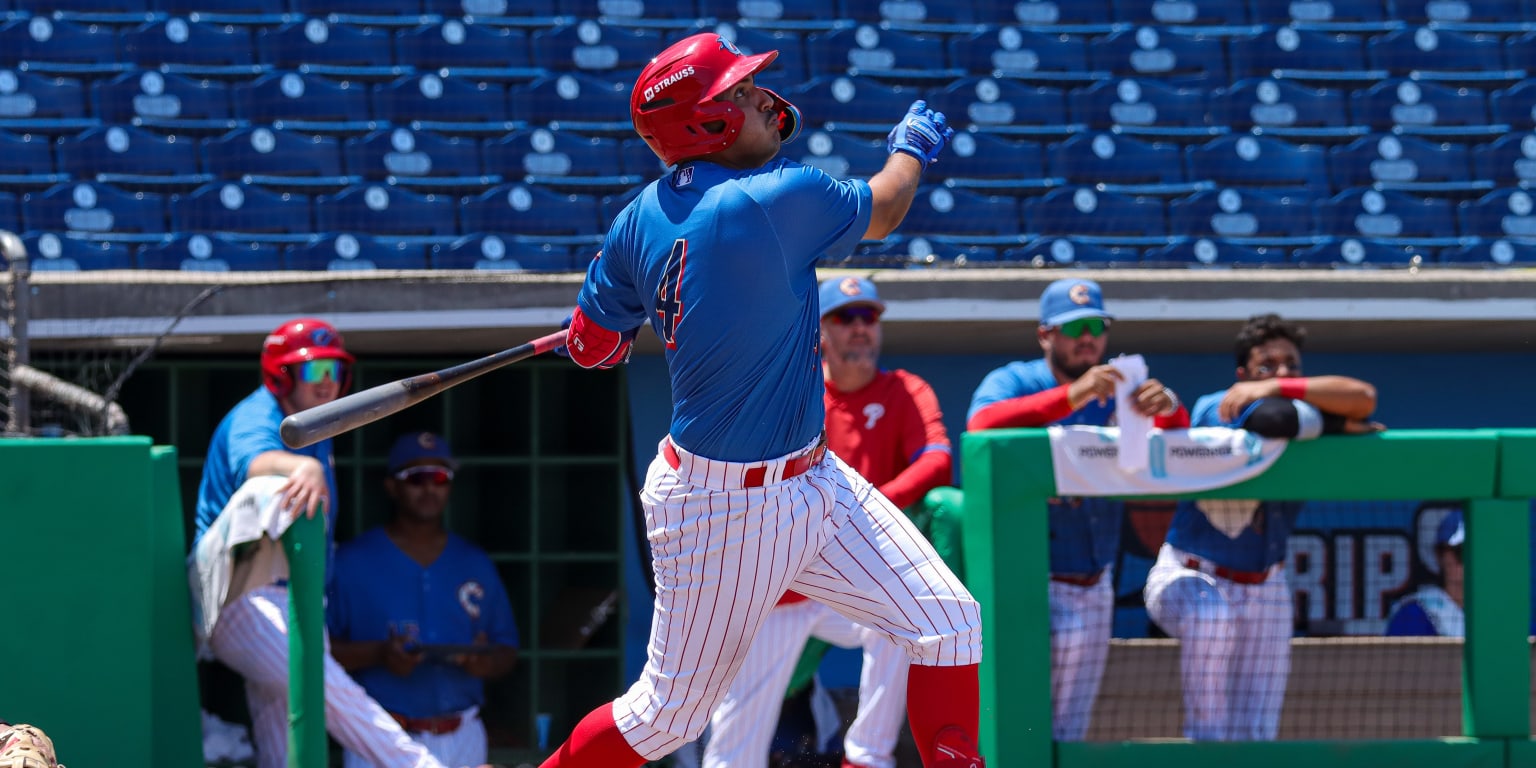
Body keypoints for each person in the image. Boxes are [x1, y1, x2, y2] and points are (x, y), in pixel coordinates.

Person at [547, 32, 984, 768]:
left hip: (815, 478)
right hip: (722, 510)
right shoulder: (778, 197)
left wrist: (596, 335)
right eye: (738, 94)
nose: (757, 96)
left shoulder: (637, 218)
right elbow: (885, 206)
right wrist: (910, 147)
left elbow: (594, 340)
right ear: (704, 125)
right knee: (664, 720)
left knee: (947, 621)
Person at [192, 318, 485, 768]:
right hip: (243, 595)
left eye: (333, 371)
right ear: (282, 375)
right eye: (312, 372)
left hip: (294, 598)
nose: (326, 383)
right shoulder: (259, 415)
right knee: (324, 687)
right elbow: (255, 463)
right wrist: (297, 468)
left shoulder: (320, 424)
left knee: (285, 738)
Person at [704, 276, 955, 768]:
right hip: (782, 585)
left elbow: (938, 459)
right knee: (734, 743)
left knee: (906, 616)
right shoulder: (793, 389)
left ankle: (866, 757)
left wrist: (876, 501)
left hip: (851, 577)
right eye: (845, 317)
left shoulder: (904, 388)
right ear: (820, 332)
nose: (861, 329)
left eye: (869, 317)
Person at [965, 278, 1189, 742]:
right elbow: (981, 423)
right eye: (1074, 328)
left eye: (1096, 326)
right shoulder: (1017, 380)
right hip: (1028, 584)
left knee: (1071, 728)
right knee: (1018, 718)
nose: (1087, 337)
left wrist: (1167, 405)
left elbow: (1175, 436)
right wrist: (1073, 395)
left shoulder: (1121, 386)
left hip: (1094, 582)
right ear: (1045, 335)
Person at [1143, 312, 1379, 741]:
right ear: (1242, 374)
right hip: (1191, 573)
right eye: (1266, 365)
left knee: (1257, 732)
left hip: (1266, 586)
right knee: (1210, 631)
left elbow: (1364, 396)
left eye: (1291, 364)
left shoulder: (1291, 399)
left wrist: (1276, 385)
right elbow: (1272, 419)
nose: (1282, 371)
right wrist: (1336, 426)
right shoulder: (1217, 405)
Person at [329, 431, 520, 768]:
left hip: (461, 735)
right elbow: (319, 653)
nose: (430, 487)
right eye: (417, 477)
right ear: (392, 486)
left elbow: (506, 648)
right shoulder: (351, 561)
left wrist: (481, 662)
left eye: (440, 477)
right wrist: (379, 654)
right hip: (380, 734)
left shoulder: (473, 561)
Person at [1385, 509, 1464, 637]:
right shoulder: (1415, 613)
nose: (1468, 561)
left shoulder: (1498, 611)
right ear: (1440, 556)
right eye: (1460, 552)